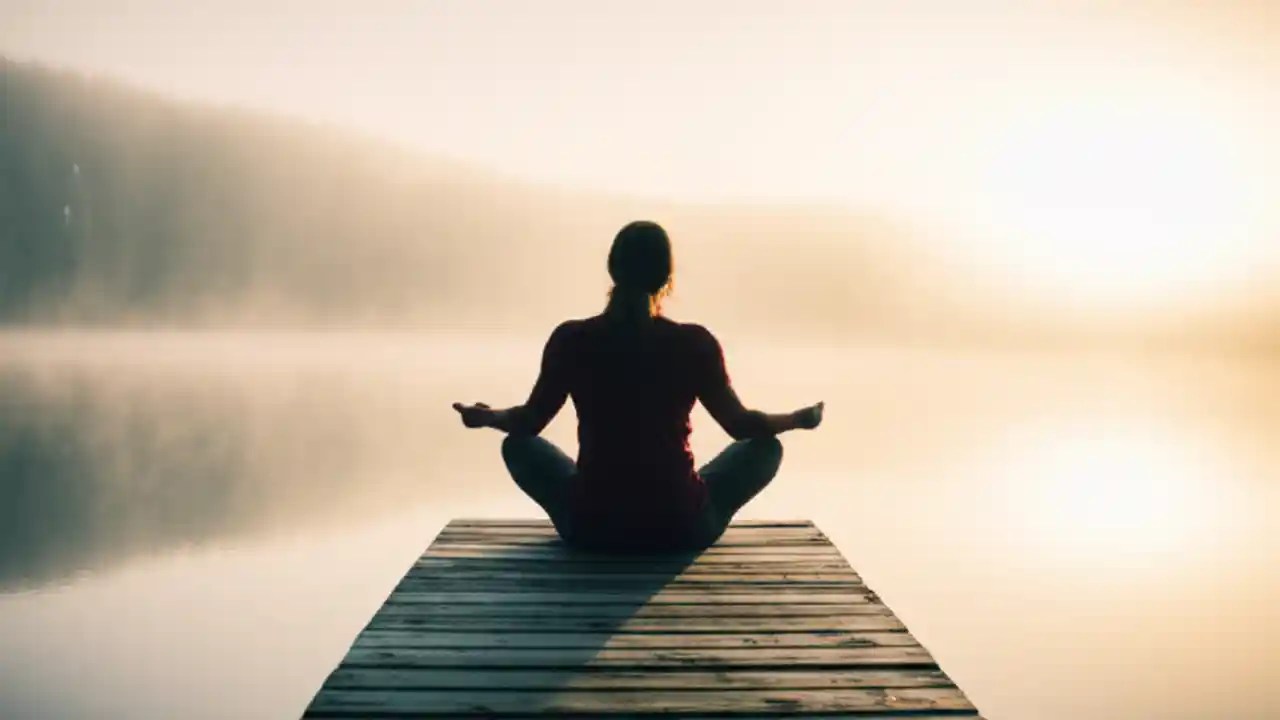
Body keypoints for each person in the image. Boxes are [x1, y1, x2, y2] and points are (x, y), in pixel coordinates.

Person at [452, 220, 824, 552]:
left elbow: (529, 422)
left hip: (592, 527)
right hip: (680, 527)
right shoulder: (693, 343)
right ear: (666, 278)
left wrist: (486, 417)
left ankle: (589, 510)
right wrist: (796, 419)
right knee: (765, 449)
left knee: (518, 445)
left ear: (612, 270)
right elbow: (740, 425)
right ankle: (684, 506)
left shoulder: (573, 339)